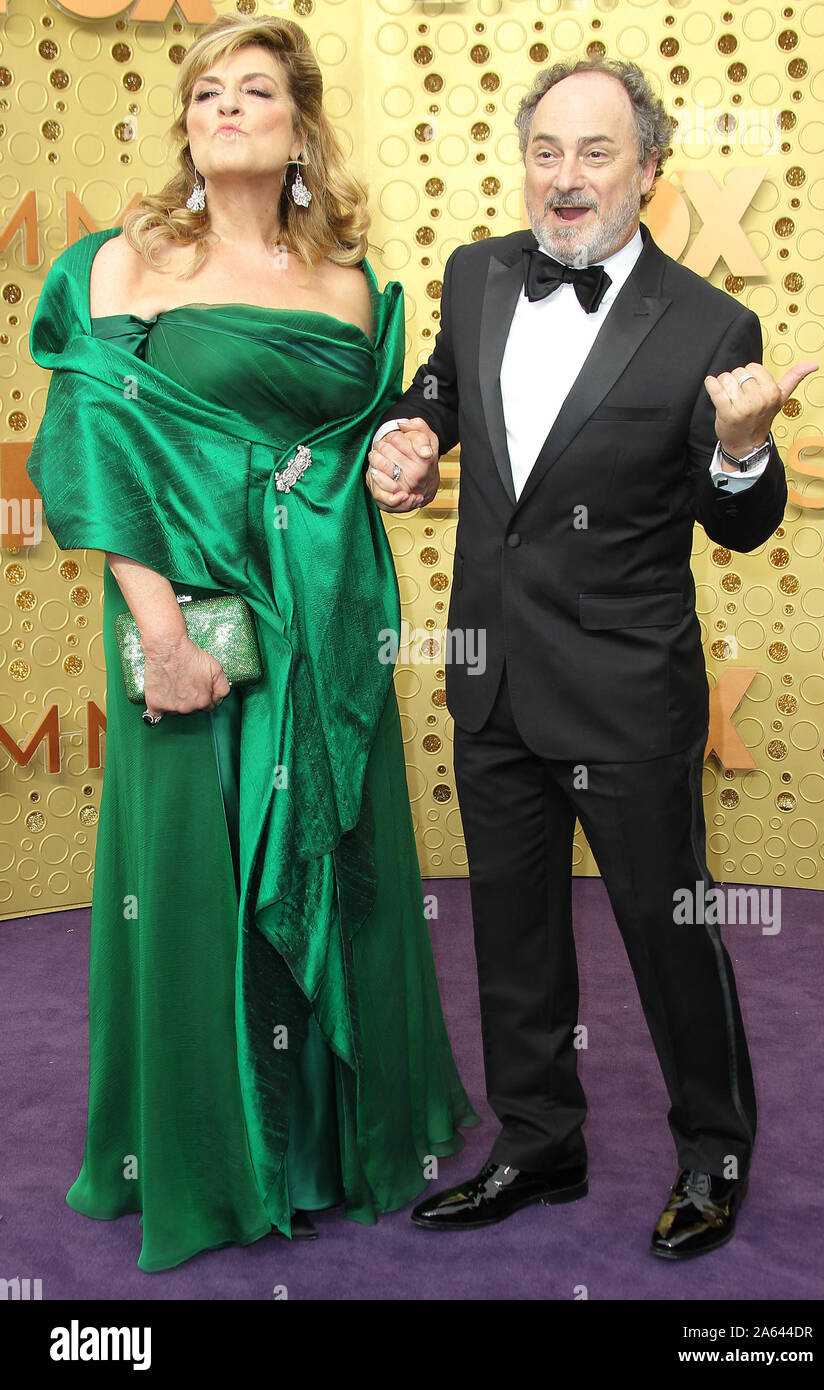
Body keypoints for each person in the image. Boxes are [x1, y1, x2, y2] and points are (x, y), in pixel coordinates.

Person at [26, 13, 478, 1274]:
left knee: (339, 859)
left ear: (298, 126)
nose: (225, 107)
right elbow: (97, 448)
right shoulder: (123, 264)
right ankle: (219, 1156)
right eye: (206, 91)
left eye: (255, 91)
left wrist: (401, 455)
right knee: (191, 879)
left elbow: (363, 454)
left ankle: (332, 1144)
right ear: (185, 123)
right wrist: (161, 632)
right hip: (191, 627)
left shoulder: (346, 286)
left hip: (321, 626)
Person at [367, 57, 816, 1259]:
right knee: (510, 935)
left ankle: (712, 1154)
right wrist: (407, 441)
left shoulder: (712, 324)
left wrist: (738, 448)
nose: (565, 180)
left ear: (648, 172)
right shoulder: (469, 276)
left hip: (624, 696)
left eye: (595, 153)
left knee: (669, 936)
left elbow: (738, 521)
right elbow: (437, 404)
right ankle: (535, 1144)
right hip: (493, 683)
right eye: (546, 152)